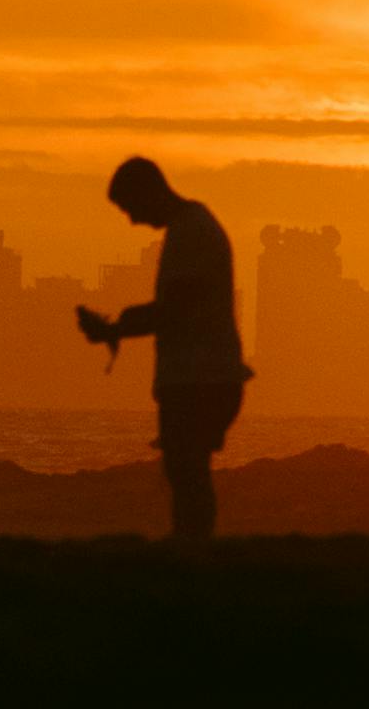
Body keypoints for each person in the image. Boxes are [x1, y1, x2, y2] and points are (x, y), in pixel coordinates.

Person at [77, 158, 252, 544]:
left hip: (199, 378)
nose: (132, 220)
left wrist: (116, 327)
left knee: (187, 473)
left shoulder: (191, 233)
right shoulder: (193, 228)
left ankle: (192, 554)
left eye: (130, 207)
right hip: (205, 376)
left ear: (148, 192)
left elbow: (174, 309)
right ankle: (193, 550)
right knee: (187, 472)